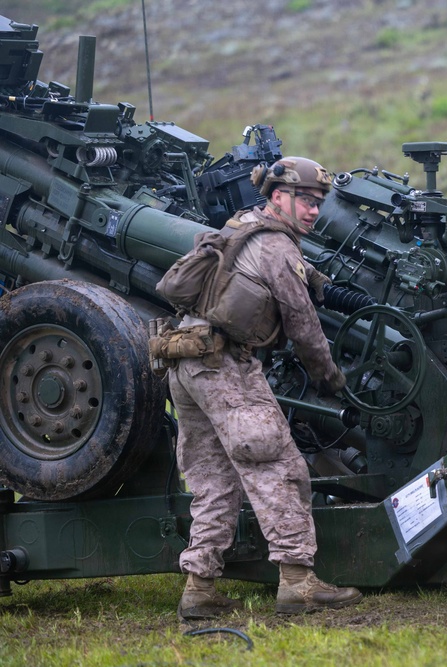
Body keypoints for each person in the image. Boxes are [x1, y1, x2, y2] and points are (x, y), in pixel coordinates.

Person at [165, 157, 362, 619]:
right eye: (305, 202)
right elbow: (303, 324)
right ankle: (298, 582)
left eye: (318, 204)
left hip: (186, 361)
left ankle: (199, 588)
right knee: (279, 467)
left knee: (214, 480)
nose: (313, 211)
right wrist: (330, 377)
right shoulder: (276, 248)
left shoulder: (237, 228)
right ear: (278, 198)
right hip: (225, 365)